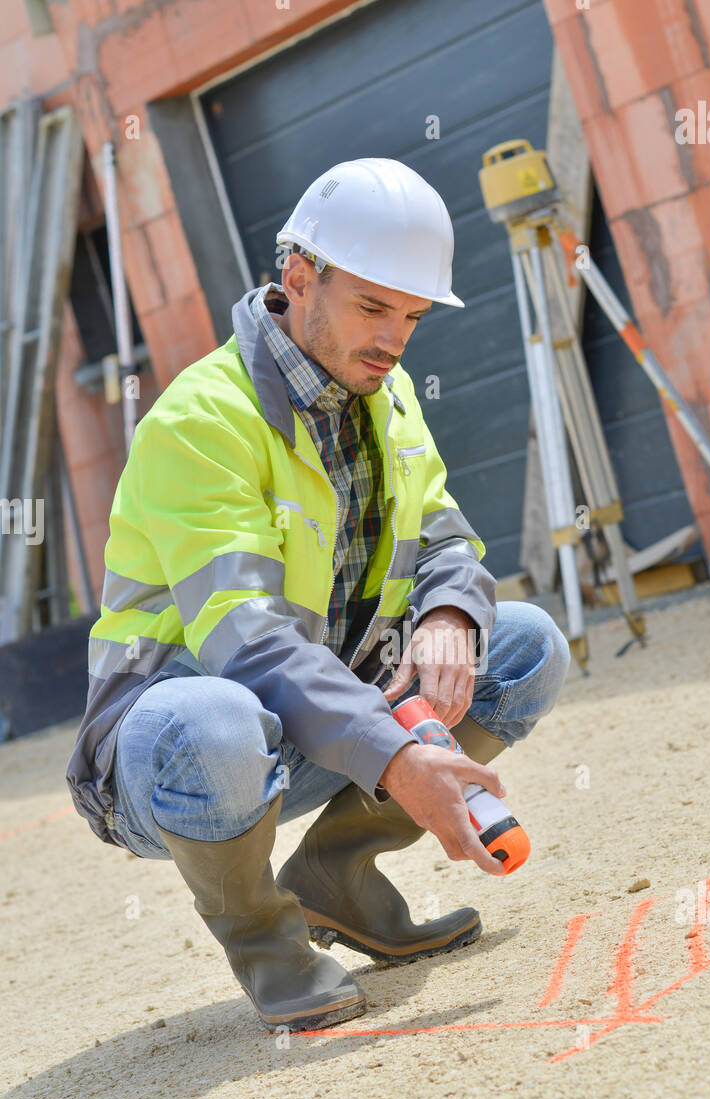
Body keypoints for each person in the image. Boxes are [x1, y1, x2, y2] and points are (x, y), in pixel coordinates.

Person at [65, 157, 571, 1033]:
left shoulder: (388, 393)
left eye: (411, 315)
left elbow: (445, 534)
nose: (394, 337)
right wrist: (396, 754)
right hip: (178, 758)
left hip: (316, 724)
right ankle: (269, 943)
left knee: (522, 642)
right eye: (373, 307)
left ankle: (338, 878)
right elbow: (244, 640)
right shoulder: (199, 422)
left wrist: (450, 615)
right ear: (298, 278)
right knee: (210, 717)